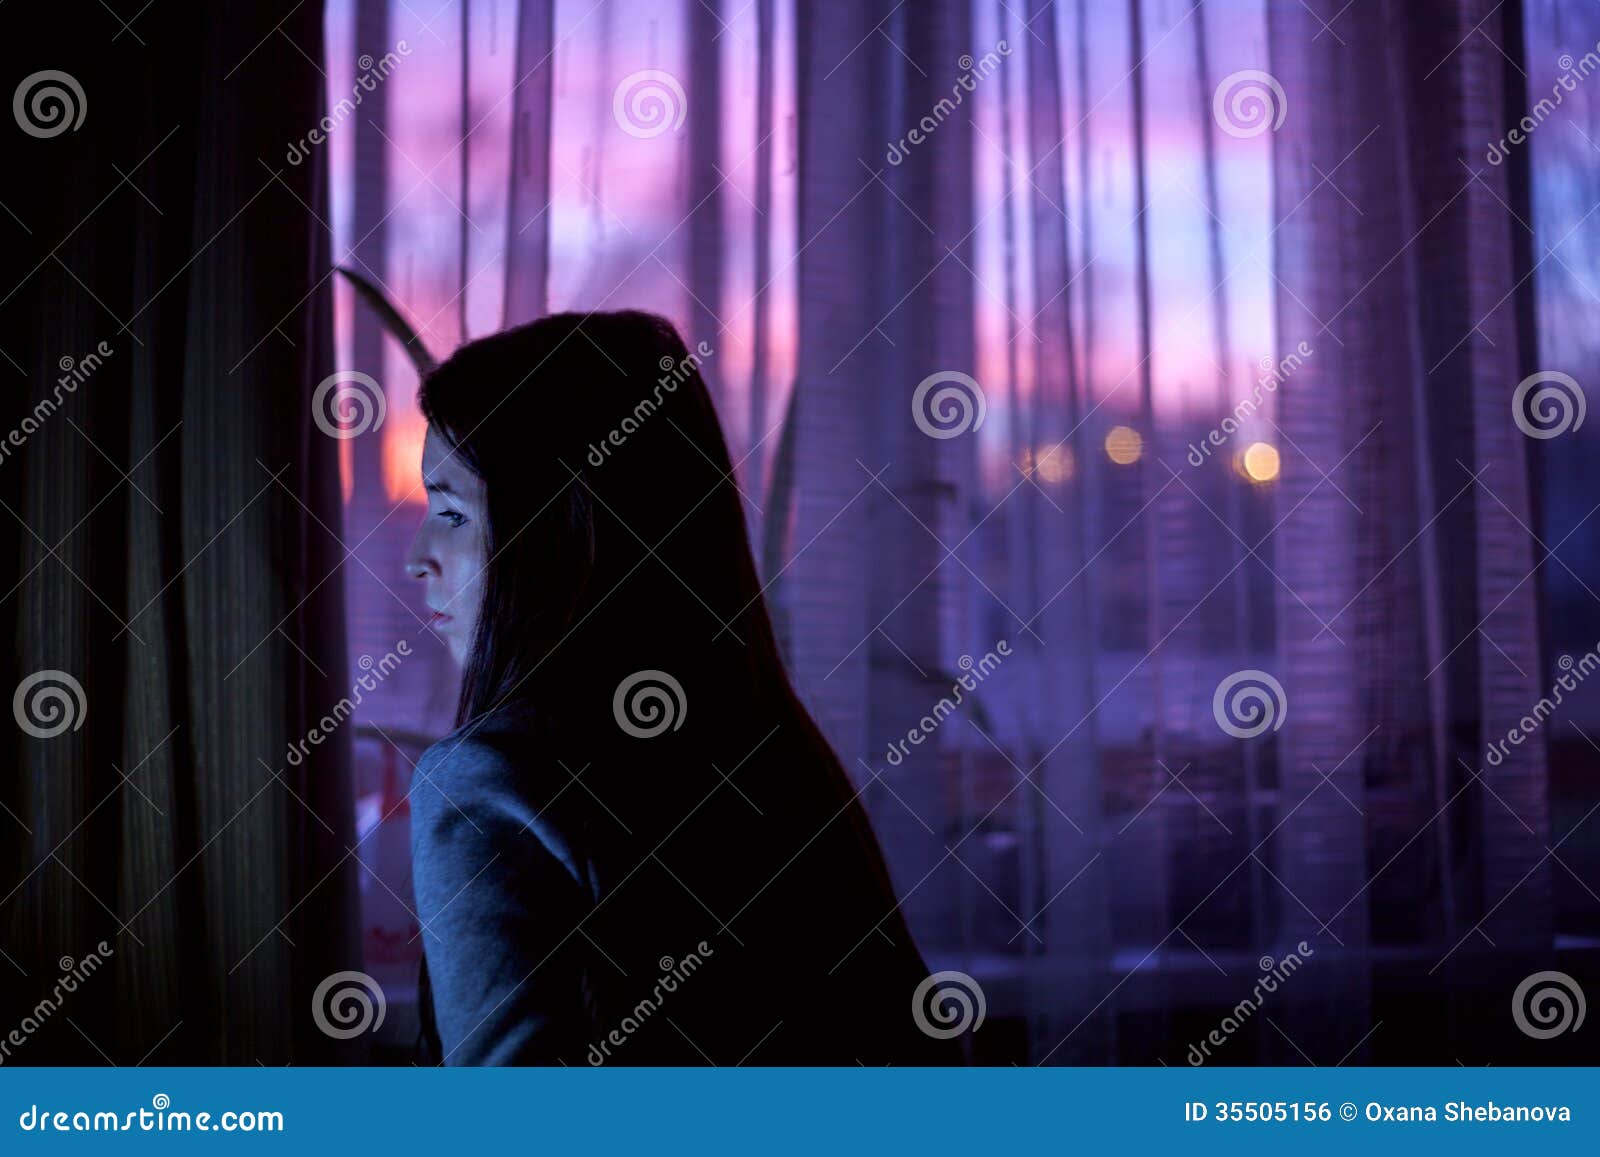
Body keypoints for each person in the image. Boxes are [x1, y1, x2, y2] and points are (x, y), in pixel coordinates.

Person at [402, 310, 957, 1065]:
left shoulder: (486, 781)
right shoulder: (773, 745)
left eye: (455, 512)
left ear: (563, 529)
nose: (419, 557)